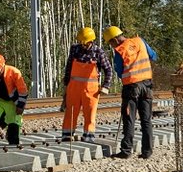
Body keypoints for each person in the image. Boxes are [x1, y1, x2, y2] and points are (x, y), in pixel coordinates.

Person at [106, 25, 159, 159]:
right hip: (147, 86)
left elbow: (119, 71)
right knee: (146, 120)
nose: (111, 46)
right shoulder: (140, 41)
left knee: (129, 119)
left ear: (115, 40)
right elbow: (154, 56)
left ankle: (126, 150)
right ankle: (147, 152)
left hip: (131, 88)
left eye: (110, 43)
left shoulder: (120, 50)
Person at [60, 26, 108, 142]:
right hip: (74, 87)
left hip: (91, 90)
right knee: (71, 111)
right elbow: (69, 66)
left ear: (91, 41)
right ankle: (67, 134)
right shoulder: (74, 49)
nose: (82, 45)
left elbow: (108, 69)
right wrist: (66, 83)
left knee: (90, 112)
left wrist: (106, 85)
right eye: (81, 42)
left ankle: (88, 136)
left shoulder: (98, 52)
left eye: (84, 43)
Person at [0, 52, 29, 145]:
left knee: (14, 126)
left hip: (13, 102)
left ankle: (13, 141)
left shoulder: (14, 72)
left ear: (3, 65)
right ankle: (9, 129)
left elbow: (23, 91)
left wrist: (20, 106)